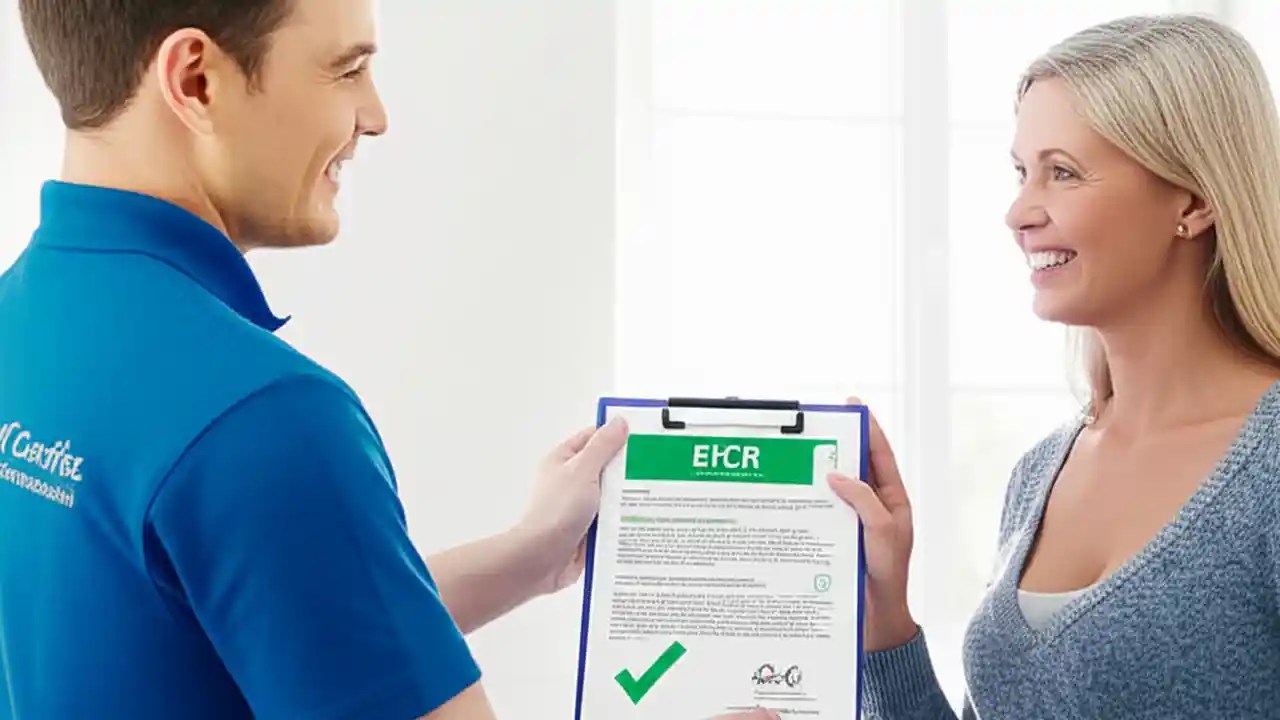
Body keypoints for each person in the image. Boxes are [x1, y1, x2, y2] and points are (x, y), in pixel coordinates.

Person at [0, 1, 777, 719]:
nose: (375, 116)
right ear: (197, 80)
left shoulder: (23, 316)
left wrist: (527, 559)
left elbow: (271, 622)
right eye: (347, 69)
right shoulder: (257, 417)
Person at [825, 13, 1280, 719]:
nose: (1018, 212)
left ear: (1193, 200)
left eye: (1062, 172)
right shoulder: (1041, 472)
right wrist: (885, 625)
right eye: (1022, 172)